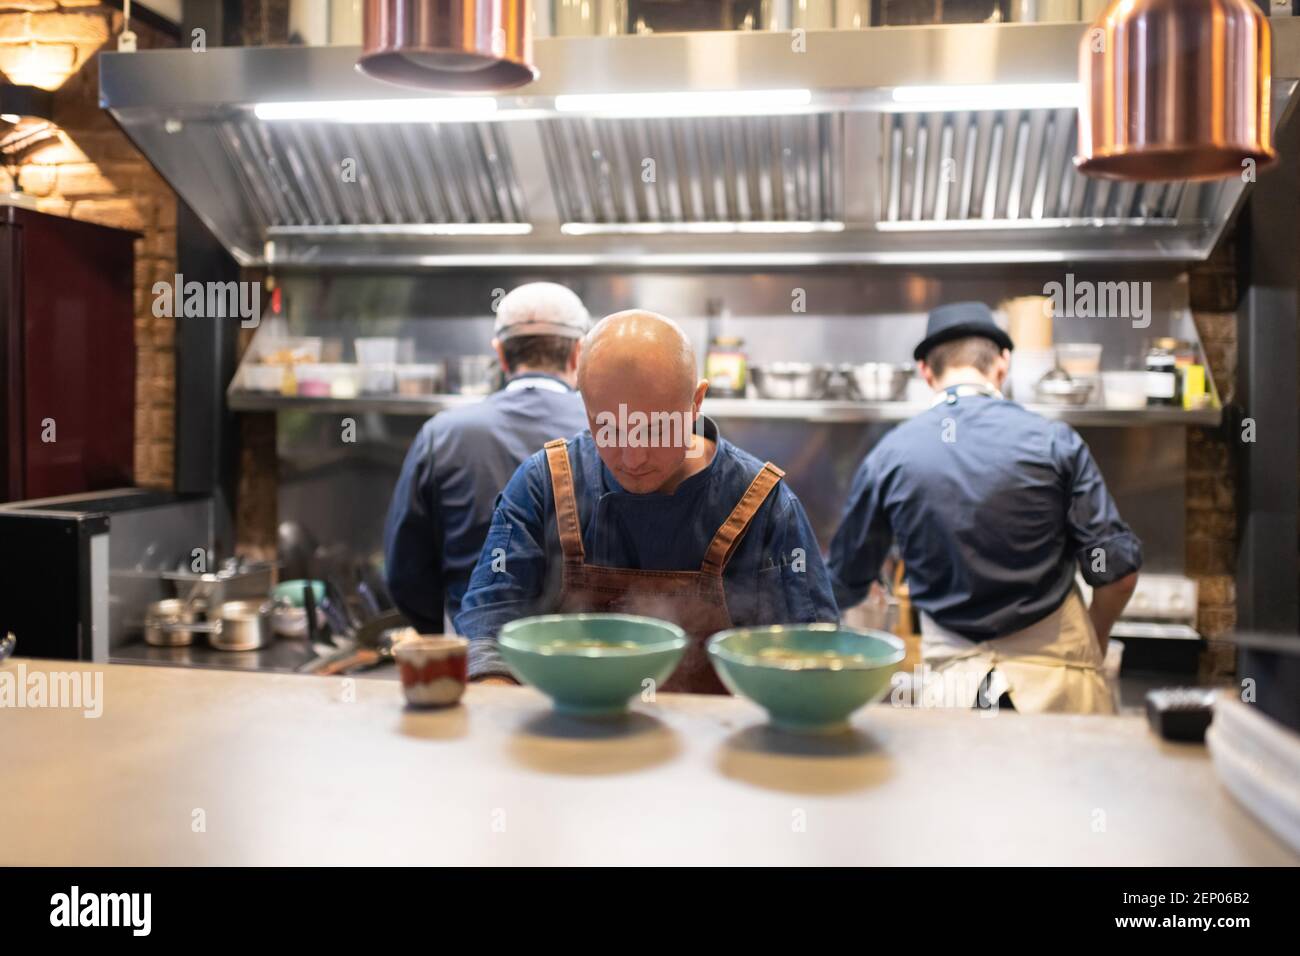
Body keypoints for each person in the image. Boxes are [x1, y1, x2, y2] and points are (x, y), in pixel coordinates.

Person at [456, 309, 838, 692]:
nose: (634, 458)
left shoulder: (763, 505)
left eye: (657, 429)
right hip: (571, 737)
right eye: (609, 429)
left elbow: (813, 654)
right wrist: (495, 700)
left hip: (716, 743)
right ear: (585, 407)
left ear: (696, 402)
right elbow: (489, 625)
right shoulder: (546, 485)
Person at [828, 301, 1140, 715]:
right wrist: (1094, 642)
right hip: (1060, 692)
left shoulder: (891, 455)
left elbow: (844, 582)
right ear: (1002, 364)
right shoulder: (1055, 442)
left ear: (925, 371)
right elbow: (1118, 575)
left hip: (953, 698)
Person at [383, 282, 591, 633]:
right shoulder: (607, 431)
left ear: (501, 354)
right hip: (586, 655)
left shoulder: (443, 434)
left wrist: (448, 633)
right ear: (578, 353)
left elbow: (405, 572)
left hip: (476, 657)